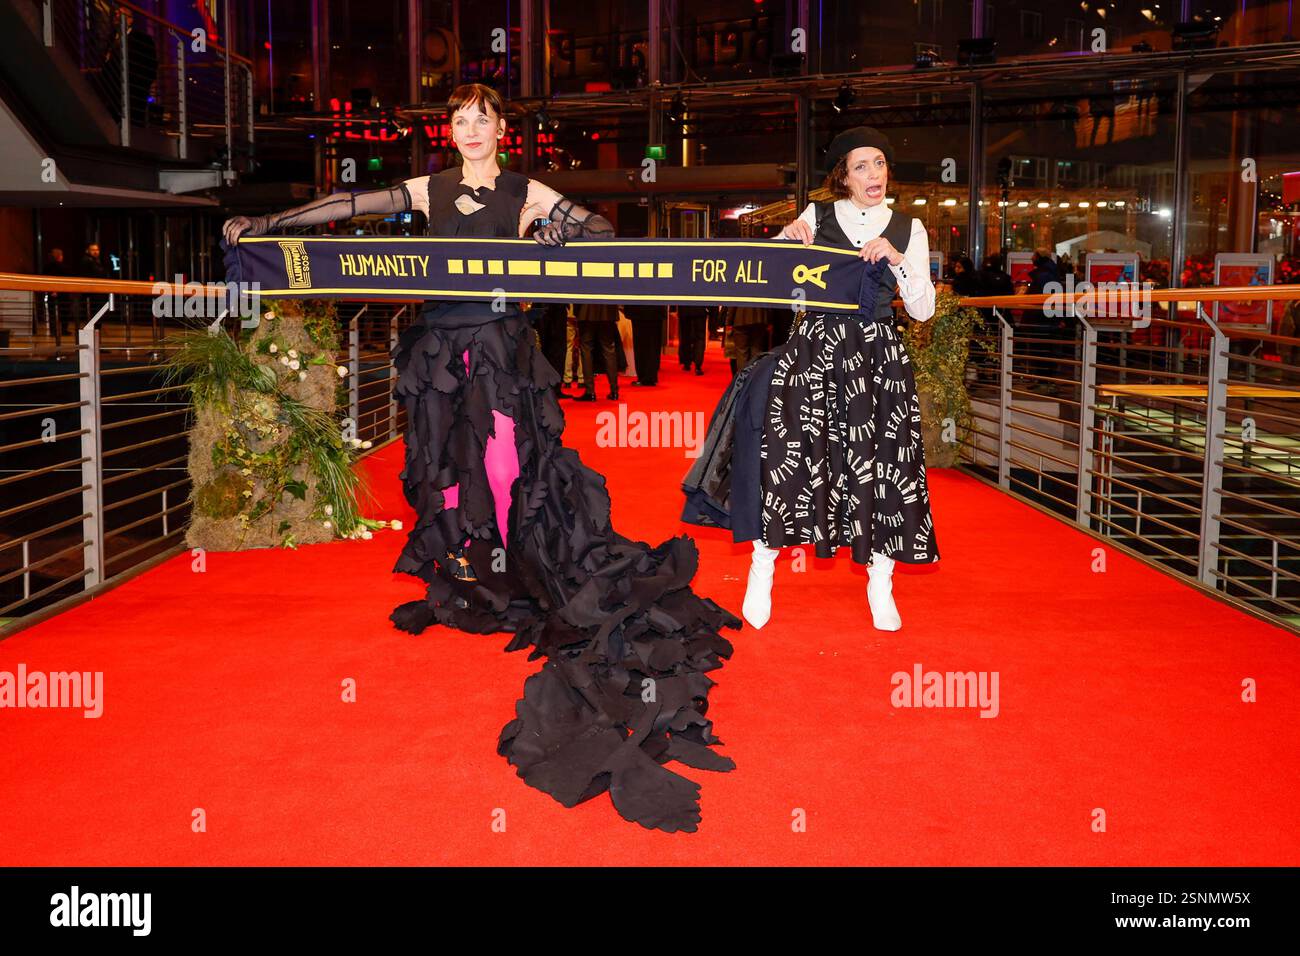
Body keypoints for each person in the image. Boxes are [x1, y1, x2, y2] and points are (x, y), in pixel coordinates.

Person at [222, 83, 739, 833]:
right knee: (445, 467)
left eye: (481, 119)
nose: (468, 129)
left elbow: (597, 227)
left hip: (499, 344)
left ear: (501, 128)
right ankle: (475, 568)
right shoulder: (426, 187)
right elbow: (345, 208)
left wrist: (555, 238)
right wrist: (265, 223)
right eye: (458, 120)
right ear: (452, 130)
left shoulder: (527, 191)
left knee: (504, 470)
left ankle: (518, 566)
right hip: (438, 345)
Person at [683, 125, 940, 632]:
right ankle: (763, 569)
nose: (874, 174)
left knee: (880, 467)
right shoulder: (817, 215)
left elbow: (924, 309)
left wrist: (898, 261)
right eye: (861, 165)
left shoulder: (910, 228)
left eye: (881, 163)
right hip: (814, 353)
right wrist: (784, 240)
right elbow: (770, 279)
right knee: (787, 461)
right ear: (842, 176)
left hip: (877, 360)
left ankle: (880, 580)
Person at [575, 301, 620, 401]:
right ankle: (614, 390)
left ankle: (590, 391)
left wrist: (576, 310)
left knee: (586, 349)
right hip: (608, 310)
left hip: (586, 310)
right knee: (609, 348)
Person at [624, 302, 666, 386]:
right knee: (654, 343)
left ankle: (645, 376)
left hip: (639, 307)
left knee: (641, 343)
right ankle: (651, 375)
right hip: (655, 308)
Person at [677, 304, 707, 374]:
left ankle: (686, 363)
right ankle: (698, 365)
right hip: (700, 309)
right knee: (699, 337)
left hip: (685, 309)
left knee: (685, 336)